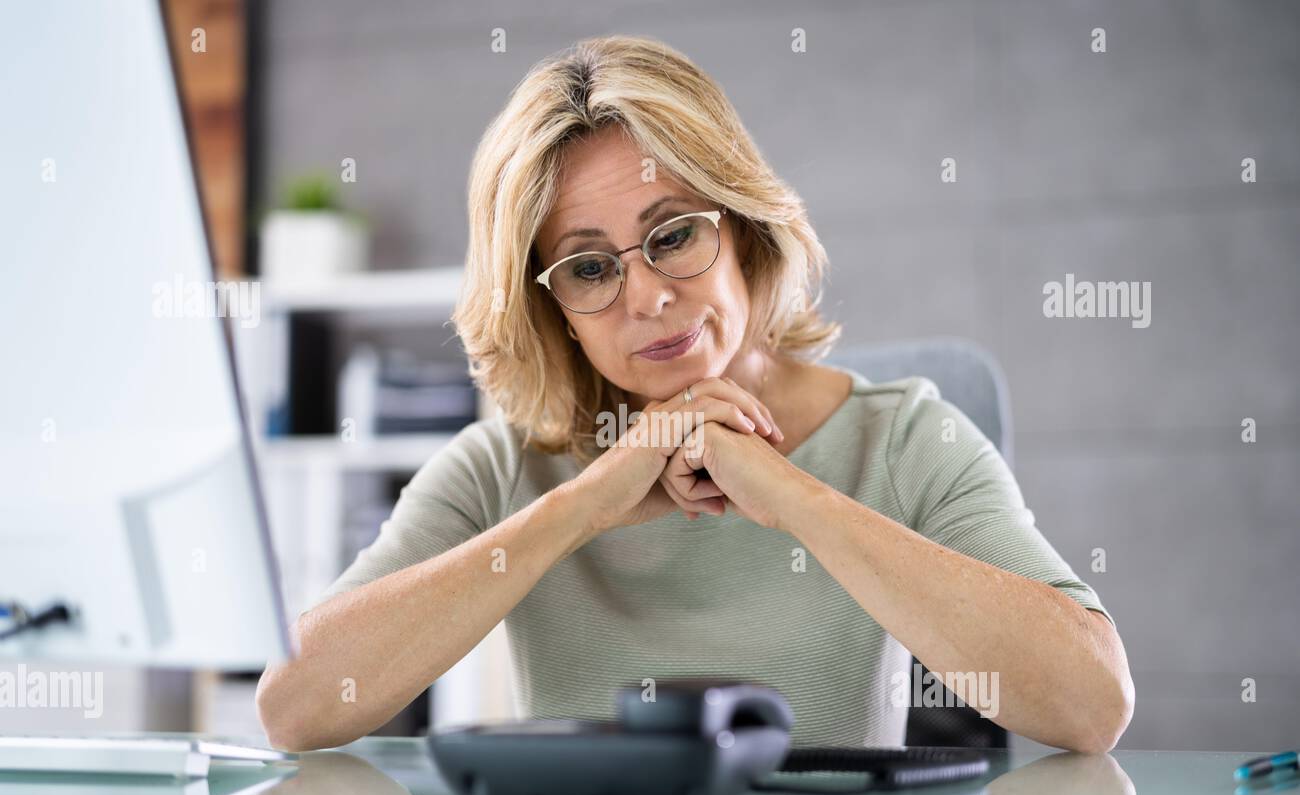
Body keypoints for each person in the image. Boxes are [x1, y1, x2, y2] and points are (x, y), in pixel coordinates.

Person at [257, 36, 1133, 755]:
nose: (646, 297)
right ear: (551, 308)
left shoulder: (905, 439)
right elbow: (294, 708)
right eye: (590, 267)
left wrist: (791, 497)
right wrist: (586, 505)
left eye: (673, 235)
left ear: (746, 227)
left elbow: (1093, 704)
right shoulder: (505, 465)